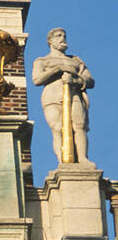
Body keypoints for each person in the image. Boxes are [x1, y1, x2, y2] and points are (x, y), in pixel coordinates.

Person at [31, 28, 95, 165]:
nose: (63, 38)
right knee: (58, 128)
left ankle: (83, 158)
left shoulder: (76, 61)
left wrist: (76, 81)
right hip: (52, 96)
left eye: (64, 36)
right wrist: (58, 69)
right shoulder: (42, 61)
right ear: (50, 41)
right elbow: (37, 80)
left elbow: (90, 80)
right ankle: (63, 160)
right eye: (58, 36)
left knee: (79, 125)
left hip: (74, 95)